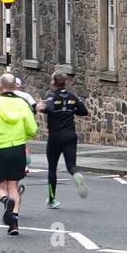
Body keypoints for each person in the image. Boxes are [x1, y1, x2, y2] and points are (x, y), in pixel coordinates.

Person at [0, 73, 38, 235]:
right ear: (15, 86)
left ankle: (6, 201)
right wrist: (23, 137)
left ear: (0, 86)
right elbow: (33, 130)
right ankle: (14, 223)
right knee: (13, 185)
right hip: (18, 149)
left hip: (0, 148)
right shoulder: (22, 103)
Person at [38, 71, 90, 208]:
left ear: (53, 82)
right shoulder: (72, 96)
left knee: (52, 169)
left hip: (55, 138)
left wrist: (42, 108)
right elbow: (84, 111)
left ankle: (52, 199)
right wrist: (71, 108)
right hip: (70, 136)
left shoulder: (51, 96)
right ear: (65, 82)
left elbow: (49, 107)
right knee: (71, 165)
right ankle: (76, 174)